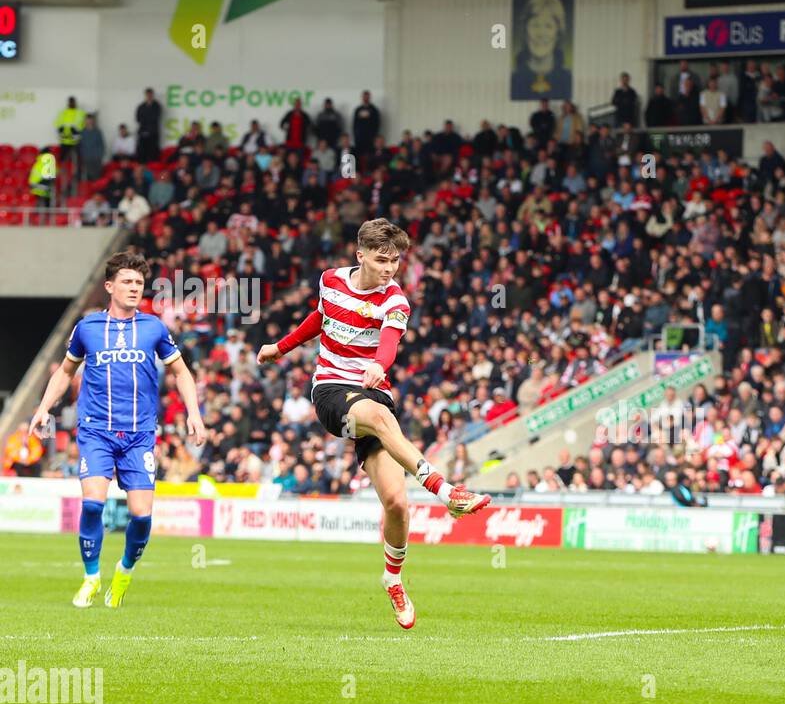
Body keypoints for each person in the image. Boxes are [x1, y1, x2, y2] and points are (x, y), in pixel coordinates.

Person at [256, 219, 490, 629]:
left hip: (373, 390)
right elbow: (320, 318)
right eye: (382, 260)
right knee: (382, 417)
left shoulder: (395, 301)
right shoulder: (330, 281)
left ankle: (393, 580)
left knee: (397, 503)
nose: (389, 269)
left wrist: (378, 367)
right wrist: (280, 347)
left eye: (395, 261)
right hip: (332, 391)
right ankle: (447, 491)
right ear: (360, 254)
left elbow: (389, 346)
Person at [27, 252, 207, 608]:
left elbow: (181, 372)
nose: (134, 288)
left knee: (141, 516)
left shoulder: (154, 328)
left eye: (139, 283)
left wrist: (194, 413)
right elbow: (65, 372)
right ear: (109, 287)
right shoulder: (87, 329)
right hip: (95, 430)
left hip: (139, 434)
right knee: (92, 504)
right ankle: (91, 577)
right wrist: (43, 407)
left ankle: (123, 571)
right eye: (127, 281)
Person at [135, 88, 162, 163]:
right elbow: (138, 119)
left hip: (153, 133)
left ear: (153, 95)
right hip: (142, 132)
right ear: (145, 95)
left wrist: (145, 119)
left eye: (150, 95)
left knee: (152, 153)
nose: (149, 96)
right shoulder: (141, 106)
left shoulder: (157, 106)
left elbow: (155, 118)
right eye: (147, 95)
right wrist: (146, 120)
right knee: (141, 153)